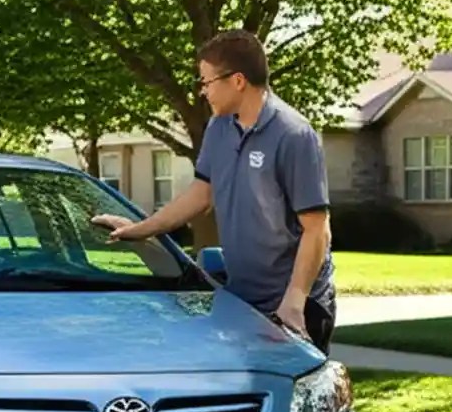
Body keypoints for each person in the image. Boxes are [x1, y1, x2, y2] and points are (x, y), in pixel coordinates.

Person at [91, 29, 337, 354]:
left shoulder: (293, 135)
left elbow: (317, 229)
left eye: (206, 82)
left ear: (237, 80)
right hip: (243, 300)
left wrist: (294, 301)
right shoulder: (219, 128)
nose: (203, 92)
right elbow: (201, 194)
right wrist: (138, 229)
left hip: (295, 306)